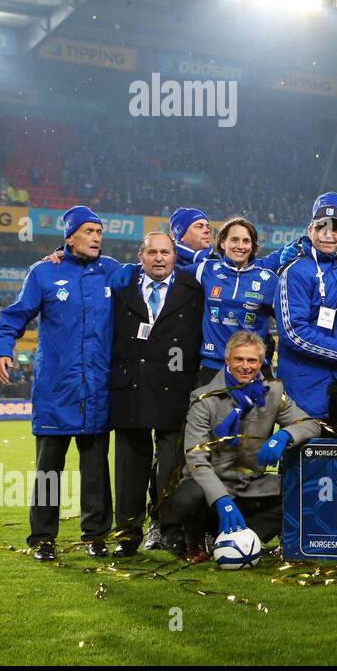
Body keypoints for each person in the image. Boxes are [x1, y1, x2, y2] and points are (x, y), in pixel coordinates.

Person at [0, 206, 121, 560]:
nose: (96, 237)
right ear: (70, 236)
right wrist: (2, 349)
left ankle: (96, 535)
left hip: (95, 389)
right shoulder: (44, 272)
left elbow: (157, 271)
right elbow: (13, 316)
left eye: (99, 231)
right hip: (55, 390)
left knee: (95, 469)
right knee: (49, 471)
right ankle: (43, 538)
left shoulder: (112, 272)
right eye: (89, 231)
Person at [163, 331, 321, 558]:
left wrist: (284, 435)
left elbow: (310, 424)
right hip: (211, 486)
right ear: (227, 360)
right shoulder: (204, 399)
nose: (245, 366)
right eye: (239, 359)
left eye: (252, 360)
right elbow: (196, 459)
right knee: (188, 497)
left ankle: (243, 539)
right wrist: (221, 499)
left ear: (261, 363)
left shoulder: (273, 392)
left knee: (300, 490)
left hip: (251, 485)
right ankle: (196, 540)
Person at [108, 232, 204, 555]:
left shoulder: (193, 290)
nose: (159, 258)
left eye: (165, 252)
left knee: (169, 472)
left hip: (174, 392)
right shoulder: (119, 287)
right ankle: (127, 535)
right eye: (152, 252)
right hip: (130, 392)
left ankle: (170, 531)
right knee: (129, 472)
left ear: (175, 256)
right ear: (140, 256)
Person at [275, 192, 337, 422]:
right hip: (305, 384)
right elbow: (294, 333)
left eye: (336, 228)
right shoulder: (297, 271)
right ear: (310, 231)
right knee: (306, 452)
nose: (328, 235)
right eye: (322, 227)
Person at [191, 217, 278, 386]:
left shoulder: (269, 281)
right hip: (211, 368)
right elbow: (169, 274)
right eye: (234, 240)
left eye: (246, 241)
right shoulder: (205, 270)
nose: (240, 246)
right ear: (223, 242)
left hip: (251, 370)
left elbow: (286, 323)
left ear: (252, 247)